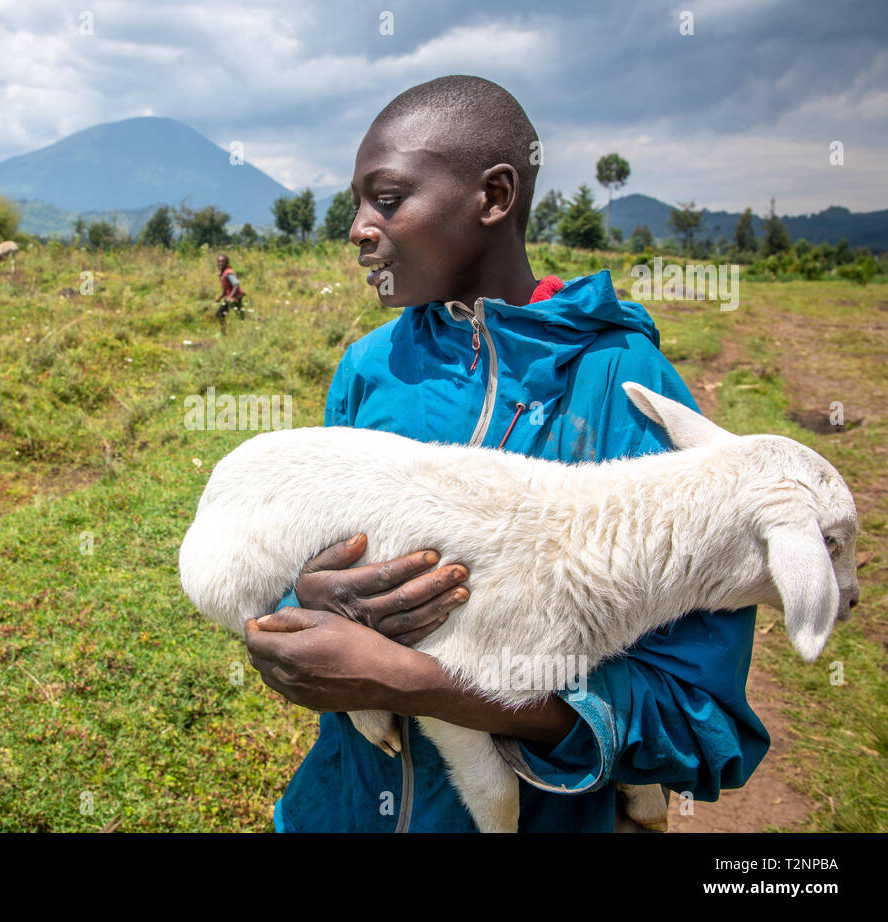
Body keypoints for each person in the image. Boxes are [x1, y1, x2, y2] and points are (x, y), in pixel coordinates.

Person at [242, 75, 769, 833]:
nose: (357, 228)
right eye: (357, 203)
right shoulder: (369, 370)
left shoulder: (625, 388)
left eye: (385, 200)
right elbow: (295, 573)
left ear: (493, 198)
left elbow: (694, 720)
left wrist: (429, 685)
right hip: (342, 809)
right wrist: (302, 607)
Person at [213, 253, 245, 327]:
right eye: (219, 262)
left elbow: (236, 285)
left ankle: (224, 332)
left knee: (219, 314)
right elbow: (226, 289)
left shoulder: (228, 273)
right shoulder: (223, 273)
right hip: (231, 297)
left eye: (222, 262)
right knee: (241, 316)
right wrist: (219, 298)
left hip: (235, 297)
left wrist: (230, 297)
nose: (220, 263)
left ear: (227, 263)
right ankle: (261, 320)